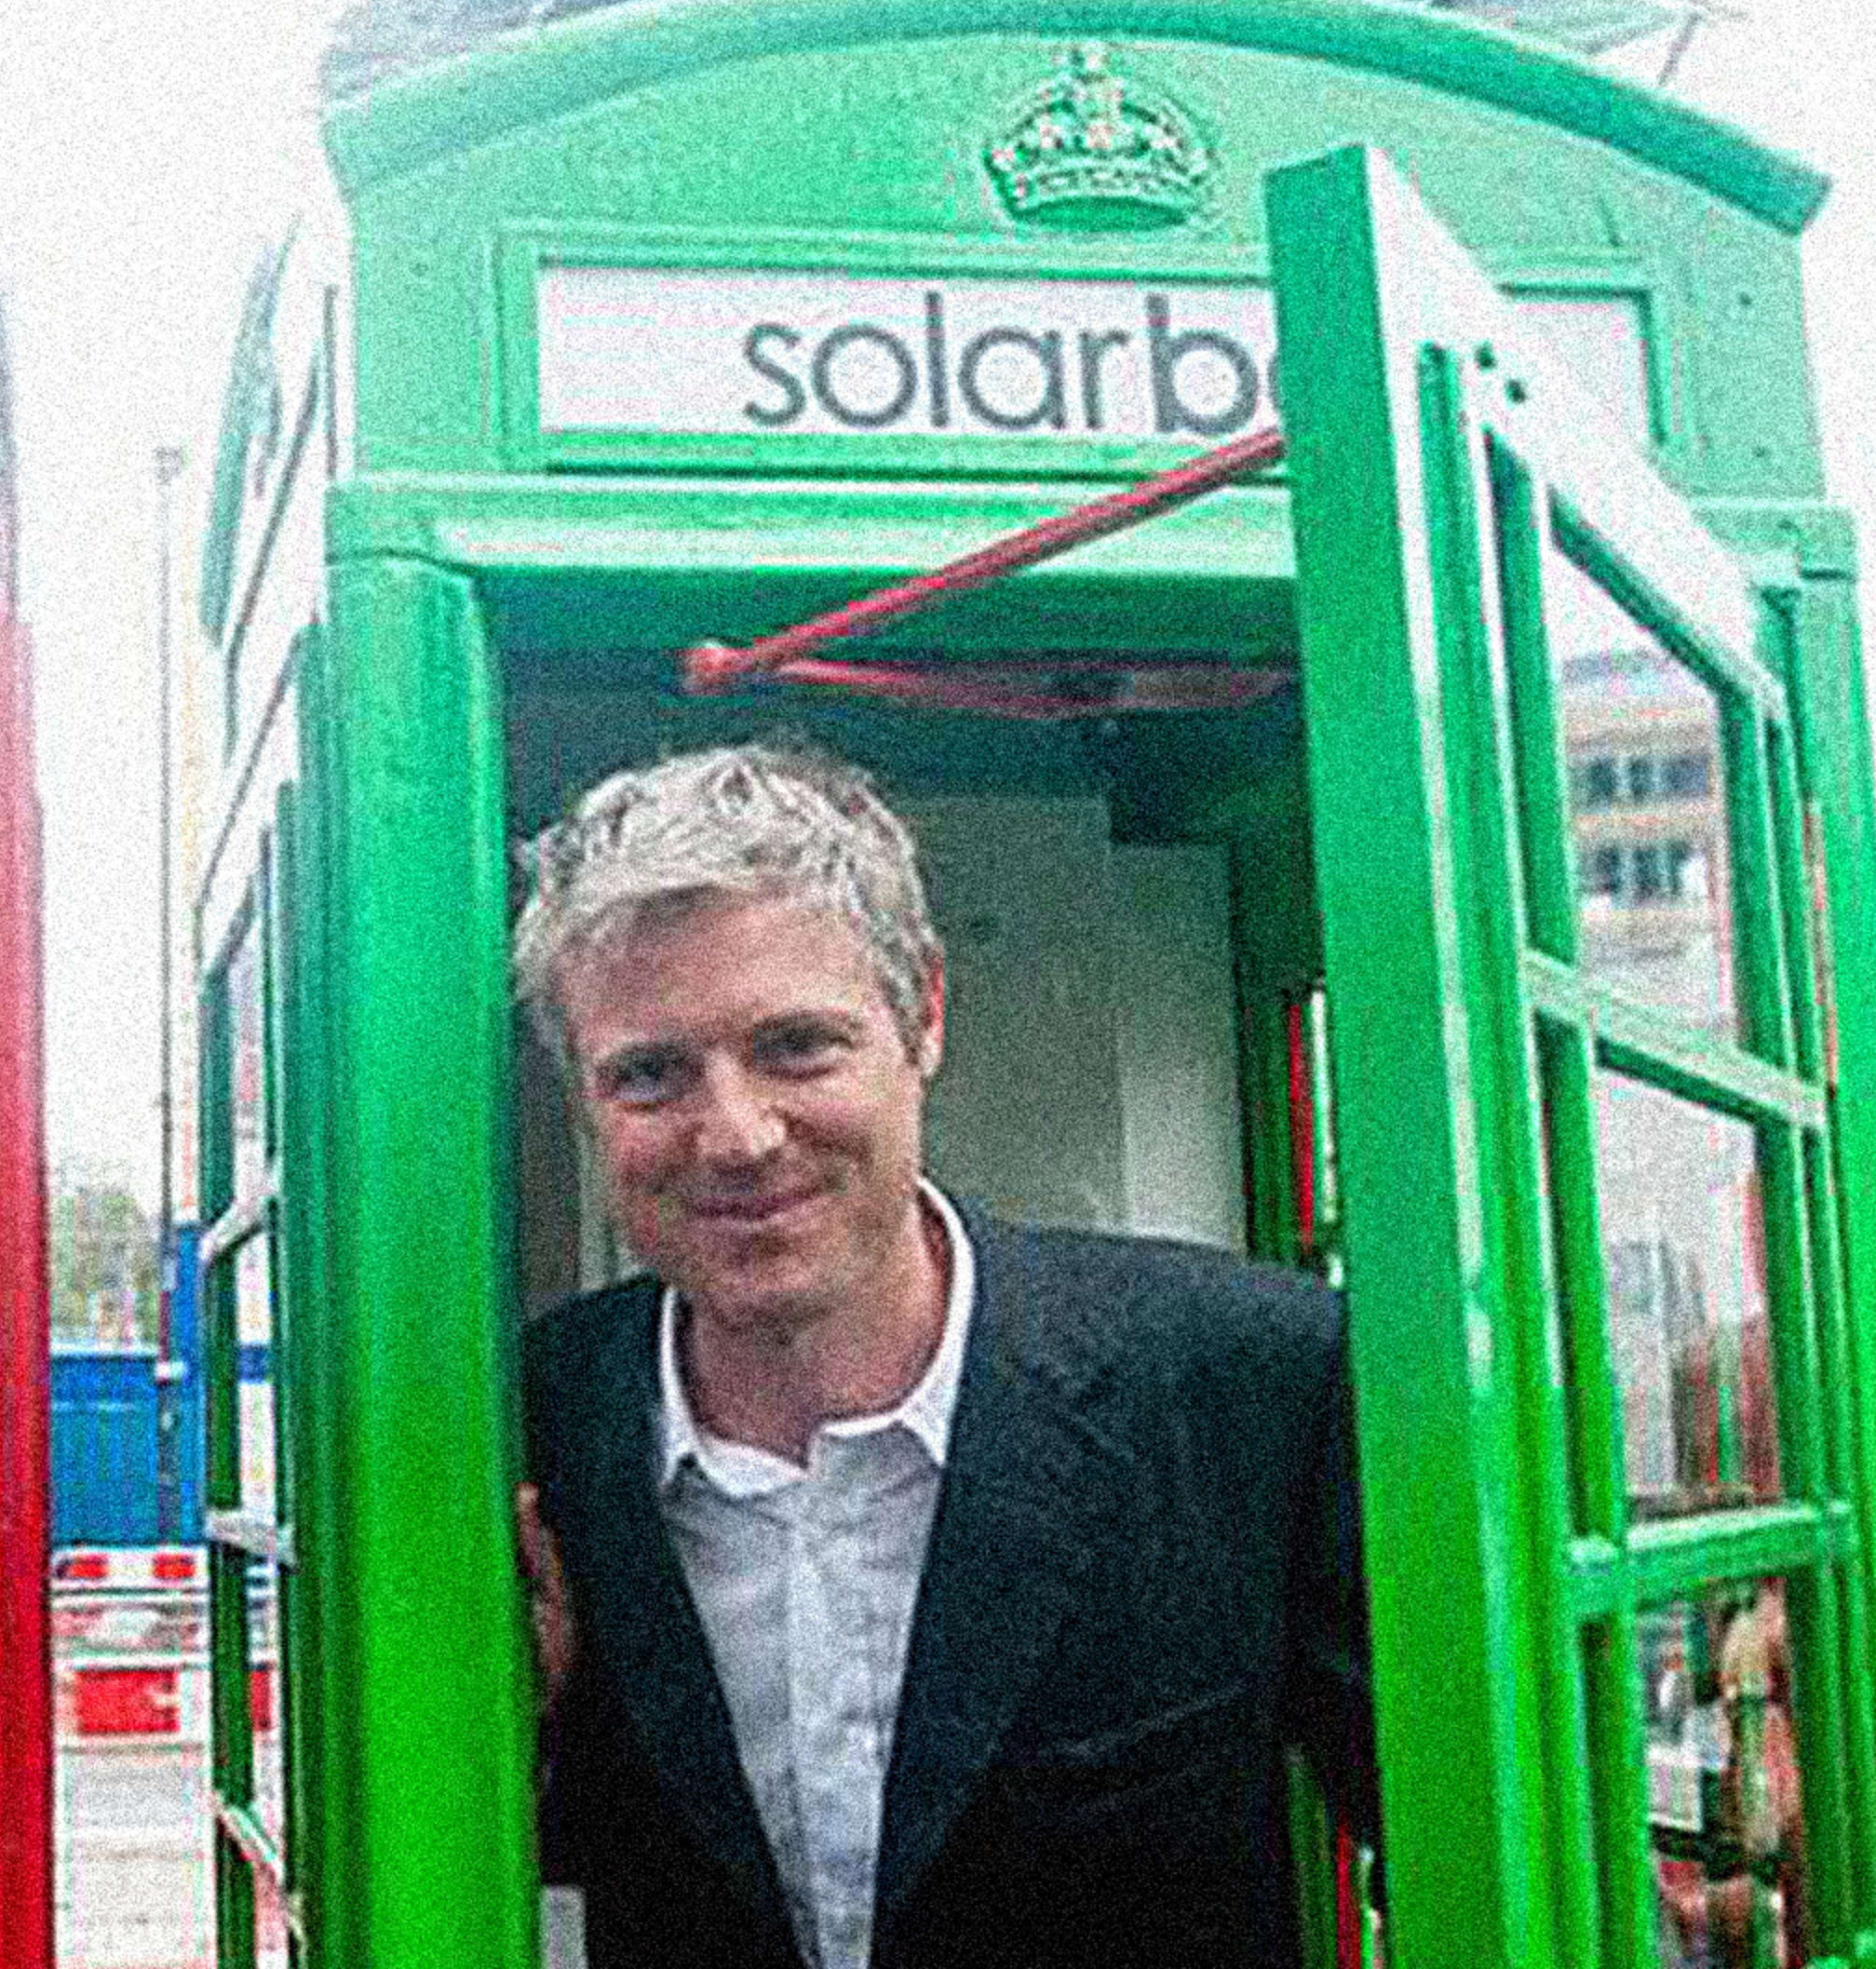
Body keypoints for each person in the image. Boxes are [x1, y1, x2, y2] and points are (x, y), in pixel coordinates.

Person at [511, 739, 1375, 1969]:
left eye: (797, 1047)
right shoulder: (531, 1427)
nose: (739, 1134)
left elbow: (1458, 1815)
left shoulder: (1248, 1377)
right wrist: (529, 1731)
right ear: (584, 1096)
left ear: (922, 1014)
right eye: (652, 1075)